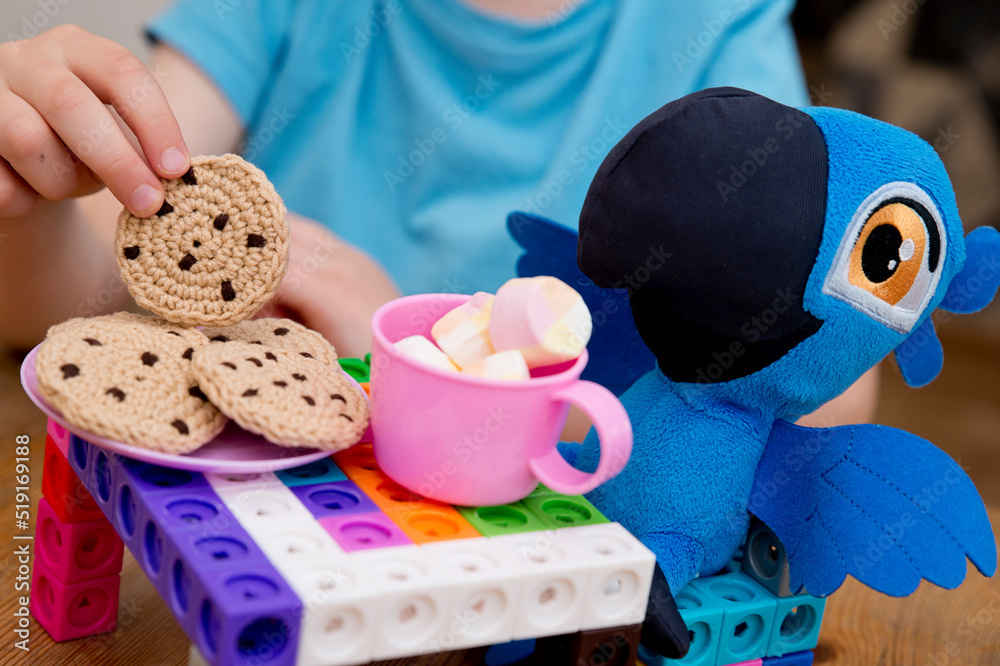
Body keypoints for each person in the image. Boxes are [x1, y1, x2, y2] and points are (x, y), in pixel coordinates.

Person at [0, 0, 877, 424]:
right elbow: (100, 265)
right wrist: (27, 203)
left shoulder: (708, 28)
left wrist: (423, 369)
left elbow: (829, 387)